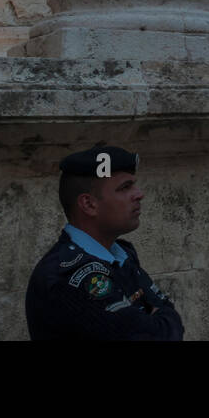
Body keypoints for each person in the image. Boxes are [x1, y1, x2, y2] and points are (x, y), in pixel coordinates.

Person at [25, 144, 184, 341]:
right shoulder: (69, 276)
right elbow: (160, 335)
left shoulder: (121, 253)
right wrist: (158, 319)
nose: (139, 194)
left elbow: (170, 316)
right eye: (125, 187)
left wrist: (161, 319)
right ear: (89, 204)